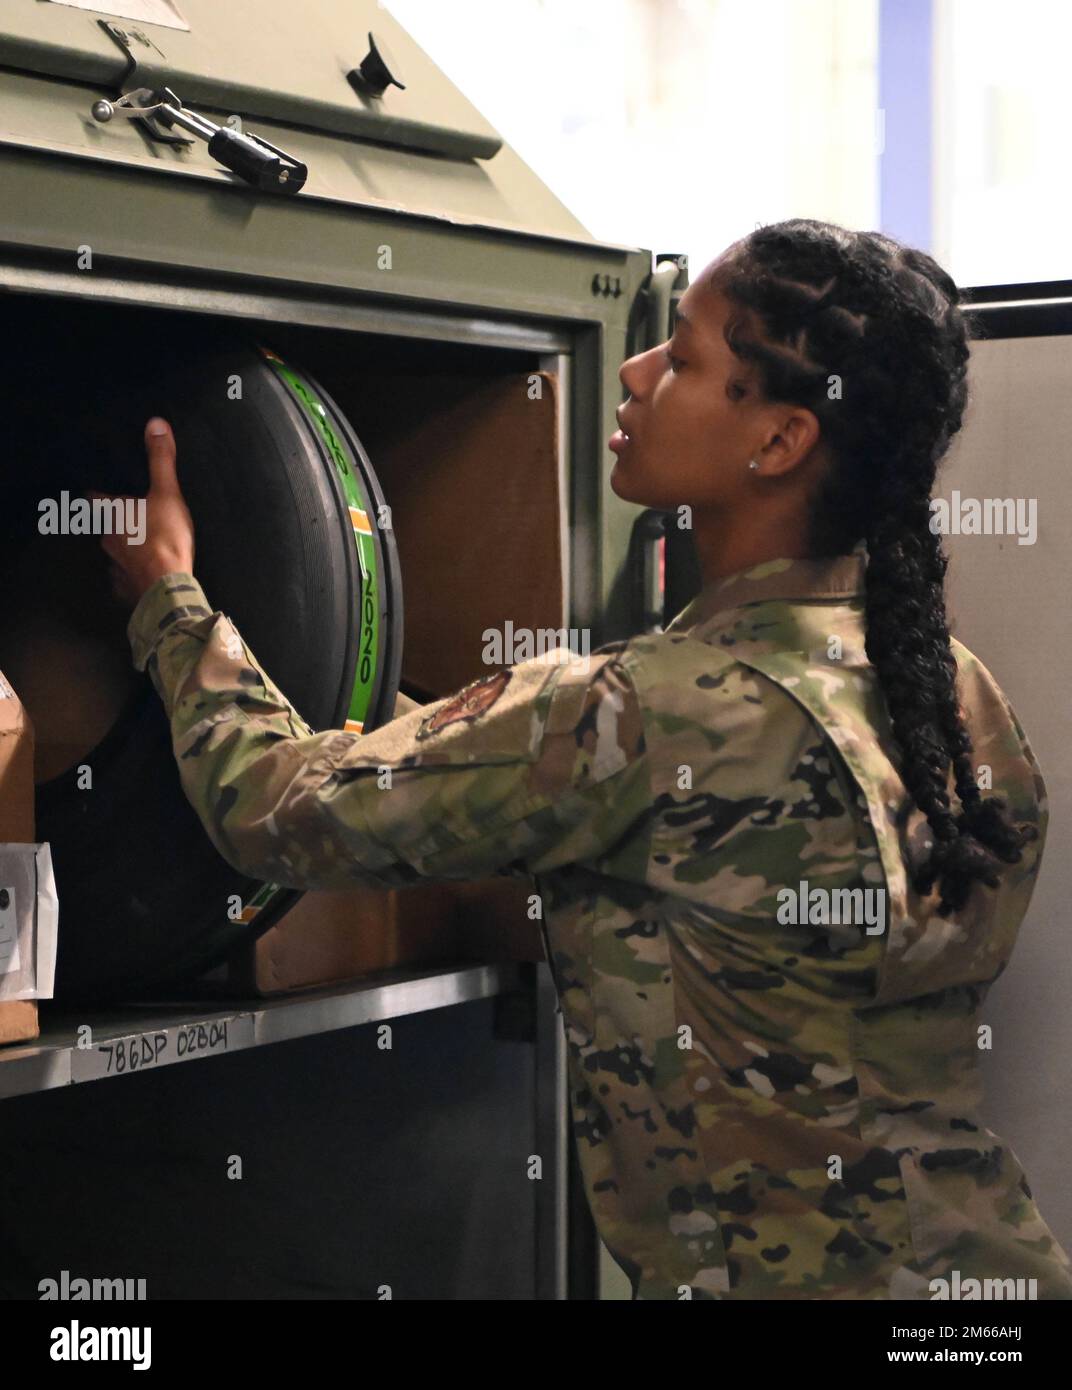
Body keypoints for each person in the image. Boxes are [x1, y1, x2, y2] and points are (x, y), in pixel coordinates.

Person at [95, 217, 1072, 1301]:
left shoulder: (637, 714)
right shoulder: (953, 692)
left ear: (779, 442)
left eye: (685, 358)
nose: (637, 368)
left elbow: (271, 809)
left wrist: (171, 605)